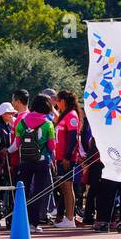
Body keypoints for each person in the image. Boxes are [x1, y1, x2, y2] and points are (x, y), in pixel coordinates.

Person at [11, 93, 57, 230]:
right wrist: (53, 160)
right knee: (38, 193)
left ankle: (19, 222)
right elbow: (51, 147)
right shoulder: (48, 124)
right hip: (42, 162)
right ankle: (33, 223)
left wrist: (6, 151)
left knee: (22, 192)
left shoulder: (22, 122)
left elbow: (16, 145)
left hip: (25, 161)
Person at [51, 91, 82, 228]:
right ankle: (67, 217)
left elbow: (73, 138)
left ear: (63, 101)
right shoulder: (64, 115)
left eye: (57, 100)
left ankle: (70, 219)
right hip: (60, 157)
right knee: (64, 188)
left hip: (66, 158)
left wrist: (67, 157)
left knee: (68, 188)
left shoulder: (71, 115)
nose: (56, 103)